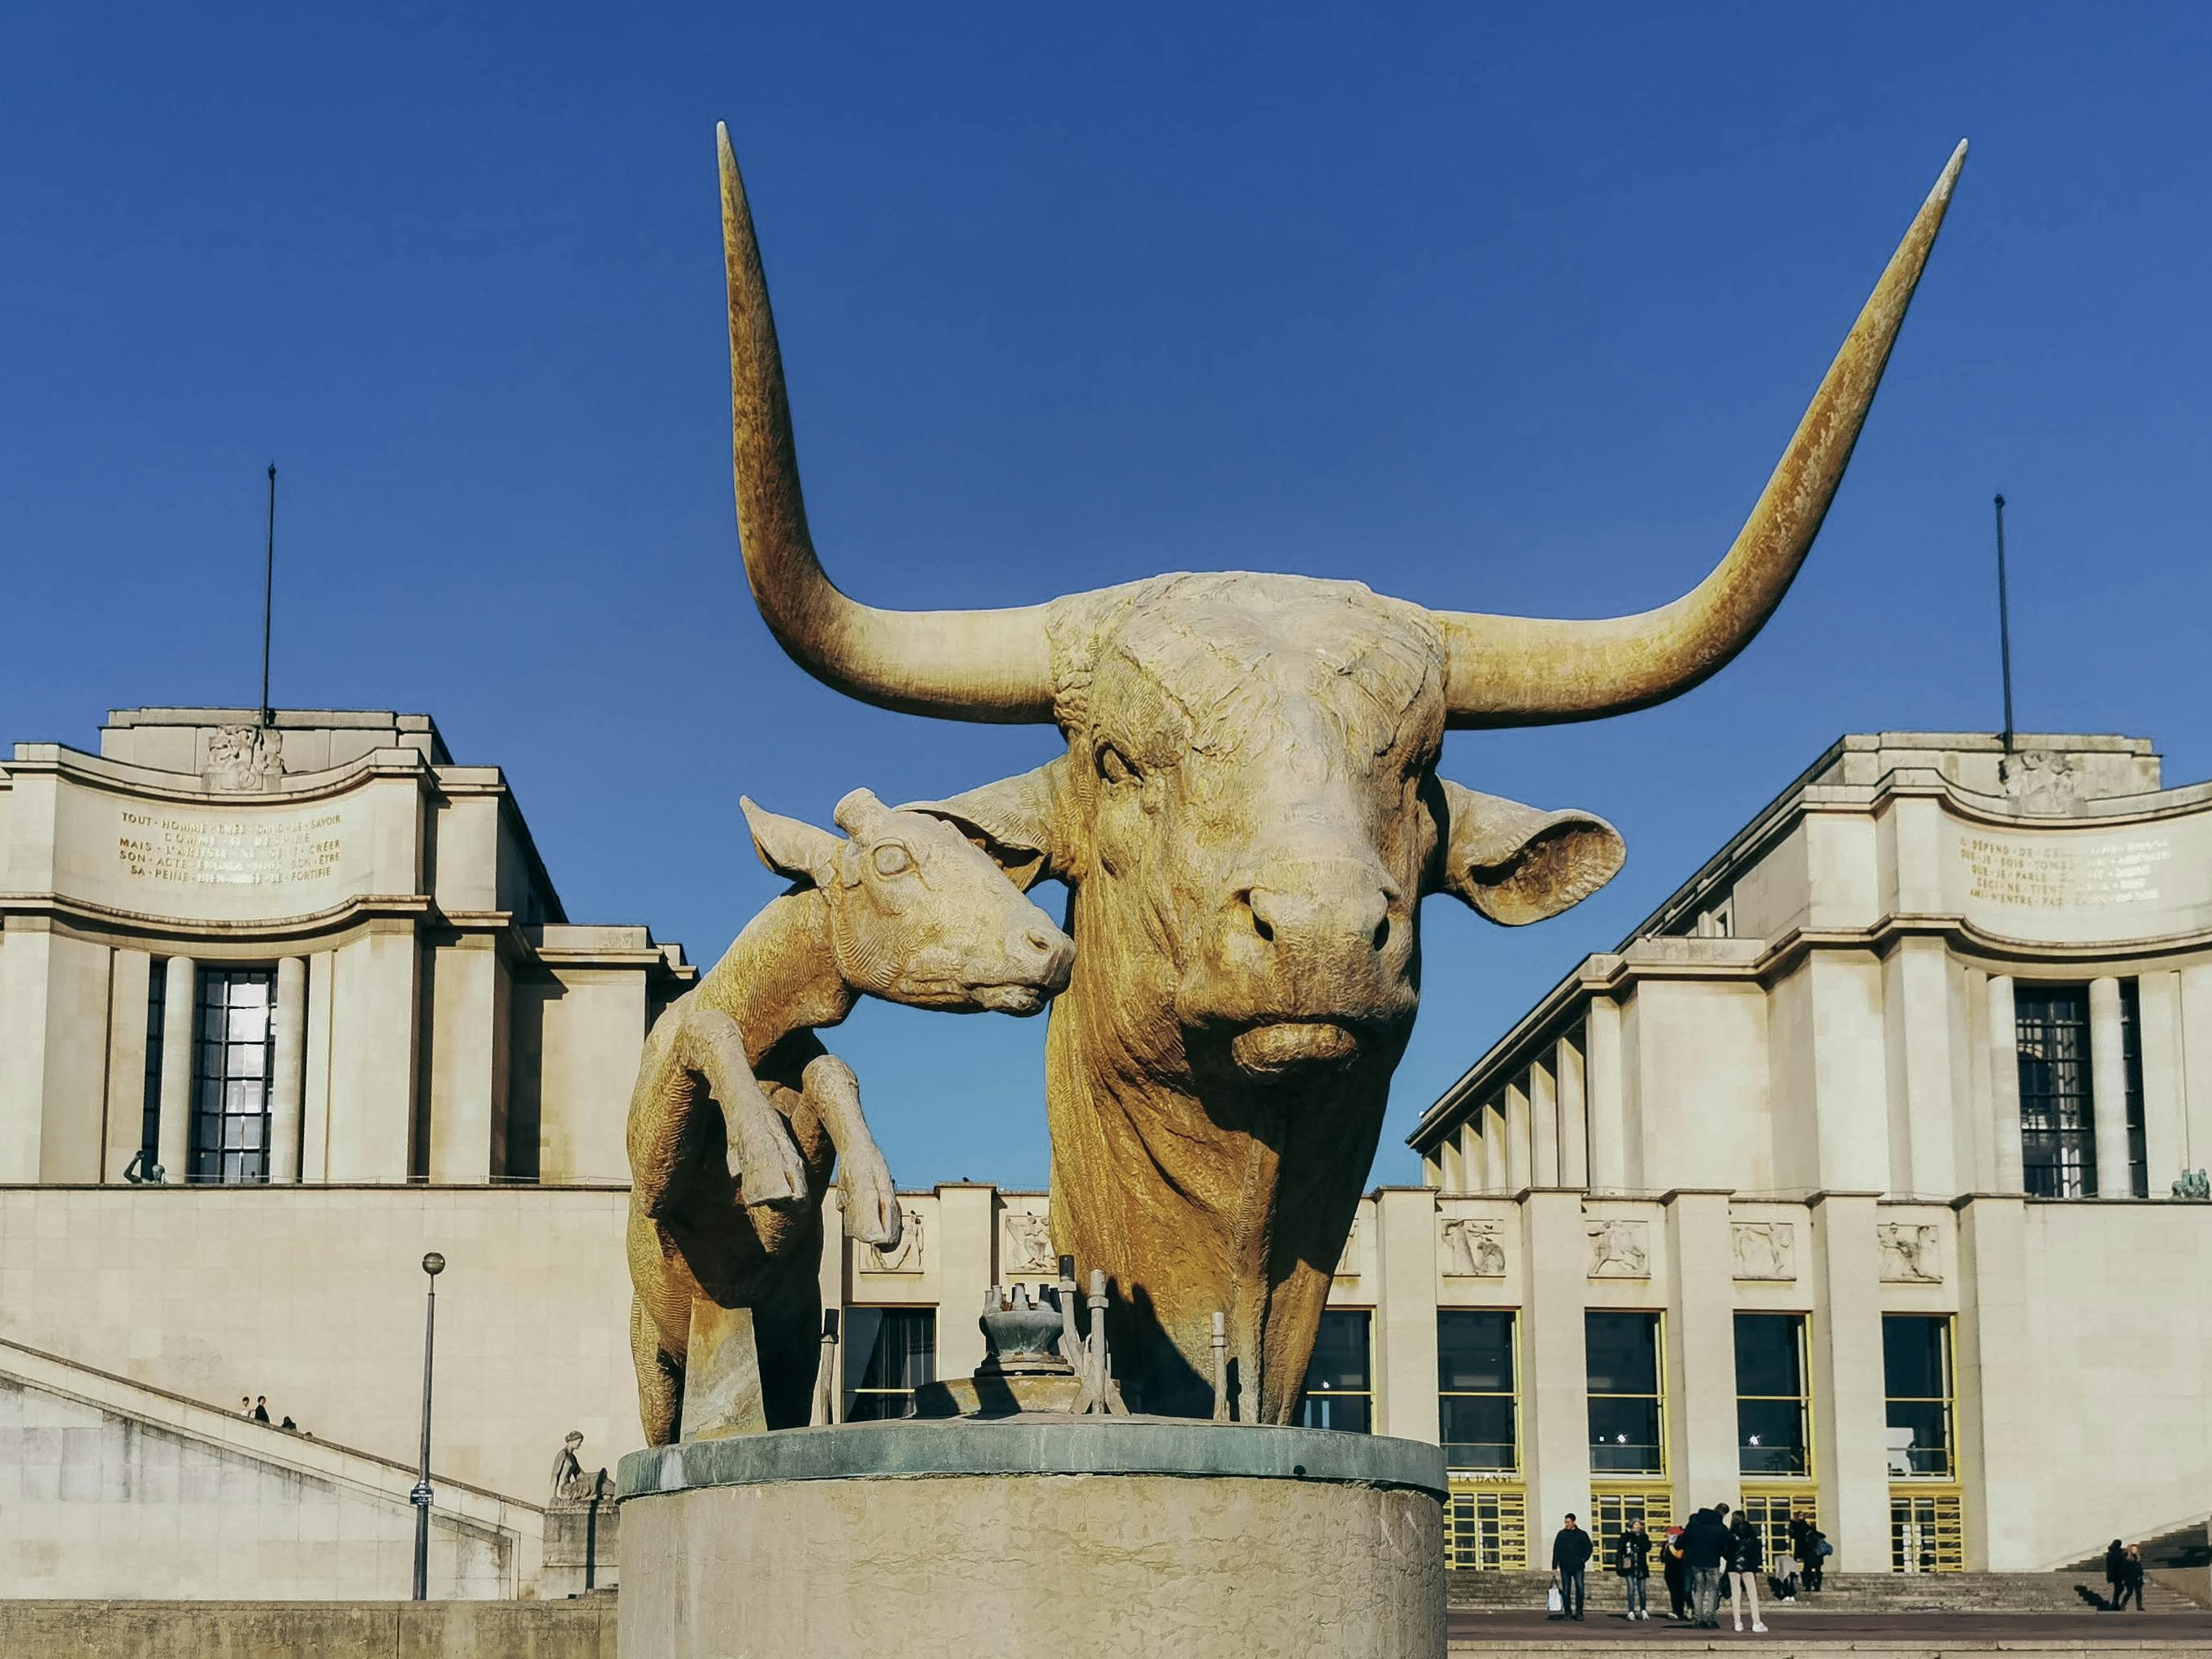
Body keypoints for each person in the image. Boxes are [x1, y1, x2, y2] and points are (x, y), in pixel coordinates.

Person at [1681, 1505, 1731, 1628]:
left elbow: (1683, 1541)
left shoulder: (1694, 1526)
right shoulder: (1721, 1528)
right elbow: (1725, 1546)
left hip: (1696, 1563)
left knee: (1699, 1590)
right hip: (1713, 1562)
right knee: (1713, 1591)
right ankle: (1710, 1619)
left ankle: (1698, 1619)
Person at [1727, 1513, 1769, 1633]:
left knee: (1735, 1595)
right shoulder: (1750, 1532)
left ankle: (1737, 1623)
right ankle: (1756, 1622)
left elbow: (1725, 1549)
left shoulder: (1729, 1533)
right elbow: (1757, 1548)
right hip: (1748, 1566)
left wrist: (1731, 1559)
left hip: (1733, 1565)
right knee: (1752, 1595)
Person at [1550, 1513, 1594, 1622]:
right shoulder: (1561, 1534)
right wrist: (1555, 1565)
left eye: (1568, 1522)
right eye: (1565, 1522)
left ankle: (1579, 1612)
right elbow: (1557, 1550)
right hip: (1565, 1566)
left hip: (1578, 1566)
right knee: (1566, 1590)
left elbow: (1589, 1548)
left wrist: (1584, 1559)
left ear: (1574, 1522)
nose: (1566, 1524)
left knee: (1580, 1588)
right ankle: (1568, 1612)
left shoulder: (1582, 1534)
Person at [1615, 1517, 1651, 1621]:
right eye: (1635, 1524)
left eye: (1639, 1524)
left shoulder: (1643, 1536)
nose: (1637, 1526)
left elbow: (1647, 1547)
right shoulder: (1625, 1536)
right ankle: (1631, 1611)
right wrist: (1618, 1565)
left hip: (1641, 1566)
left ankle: (1643, 1610)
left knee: (1642, 1590)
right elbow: (1620, 1550)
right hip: (1629, 1565)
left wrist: (1638, 1537)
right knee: (1631, 1589)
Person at [1660, 1526, 1689, 1621]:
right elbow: (1663, 1557)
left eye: (1669, 1533)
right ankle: (1677, 1611)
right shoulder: (1666, 1544)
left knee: (1682, 1592)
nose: (1667, 1535)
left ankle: (1684, 1610)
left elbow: (1677, 1556)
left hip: (1680, 1570)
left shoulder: (1679, 1544)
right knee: (1674, 1593)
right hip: (1670, 1572)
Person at [1802, 1523, 1831, 1592]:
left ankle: (1808, 1587)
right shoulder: (1818, 1536)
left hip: (1809, 1557)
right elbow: (1824, 1536)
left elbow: (1806, 1547)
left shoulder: (1808, 1537)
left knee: (1807, 1572)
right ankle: (1817, 1586)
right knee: (1818, 1572)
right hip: (1818, 1558)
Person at [2116, 1545, 2145, 1612]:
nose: (2135, 1550)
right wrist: (2125, 1578)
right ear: (2130, 1550)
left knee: (2139, 1593)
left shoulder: (2137, 1558)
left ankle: (2139, 1606)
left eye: (2136, 1549)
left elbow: (2139, 1568)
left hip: (2138, 1578)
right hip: (2130, 1578)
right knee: (2130, 1592)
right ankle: (2123, 1605)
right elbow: (2124, 1569)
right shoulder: (2127, 1559)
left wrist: (2140, 1574)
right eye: (2133, 1549)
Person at [2105, 1539, 2127, 1609]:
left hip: (2117, 1574)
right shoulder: (2114, 1553)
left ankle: (2115, 1603)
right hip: (2116, 1574)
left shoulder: (2113, 1552)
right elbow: (2114, 1564)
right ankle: (2115, 1603)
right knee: (2119, 1588)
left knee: (2118, 1588)